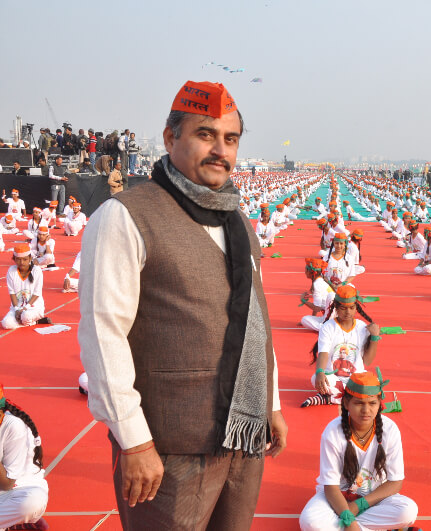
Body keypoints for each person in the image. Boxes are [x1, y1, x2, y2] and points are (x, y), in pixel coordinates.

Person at [78, 81, 285, 530]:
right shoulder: (126, 215)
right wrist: (133, 441)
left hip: (243, 437)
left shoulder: (239, 221)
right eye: (206, 135)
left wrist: (270, 404)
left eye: (230, 139)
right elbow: (102, 332)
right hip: (167, 446)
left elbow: (255, 316)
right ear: (171, 138)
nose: (220, 150)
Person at [298, 370, 419, 531]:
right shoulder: (333, 431)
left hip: (373, 498)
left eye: (372, 403)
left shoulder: (390, 429)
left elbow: (395, 482)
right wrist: (348, 517)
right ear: (346, 404)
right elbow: (331, 486)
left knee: (408, 511)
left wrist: (357, 506)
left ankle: (346, 526)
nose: (366, 410)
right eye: (359, 403)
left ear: (380, 404)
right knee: (310, 522)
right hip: (336, 499)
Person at [302, 286, 380, 407]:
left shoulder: (362, 327)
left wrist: (374, 338)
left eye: (351, 308)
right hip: (333, 377)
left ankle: (327, 398)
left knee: (375, 383)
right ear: (336, 308)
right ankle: (351, 396)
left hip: (356, 377)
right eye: (343, 308)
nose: (348, 312)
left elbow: (367, 361)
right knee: (316, 379)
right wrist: (320, 372)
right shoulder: (328, 326)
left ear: (356, 308)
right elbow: (323, 352)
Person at [0, 386, 49, 530]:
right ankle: (11, 521)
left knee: (32, 502)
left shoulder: (13, 425)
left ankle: (14, 519)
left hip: (17, 491)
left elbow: (7, 484)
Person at [2, 244, 46, 330]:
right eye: (18, 259)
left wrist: (25, 308)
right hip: (17, 307)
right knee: (6, 324)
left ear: (30, 259)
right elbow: (12, 293)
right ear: (14, 259)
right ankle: (31, 322)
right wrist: (16, 309)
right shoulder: (11, 271)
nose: (21, 262)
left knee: (26, 316)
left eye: (25, 259)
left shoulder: (37, 270)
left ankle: (34, 320)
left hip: (34, 307)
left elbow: (37, 293)